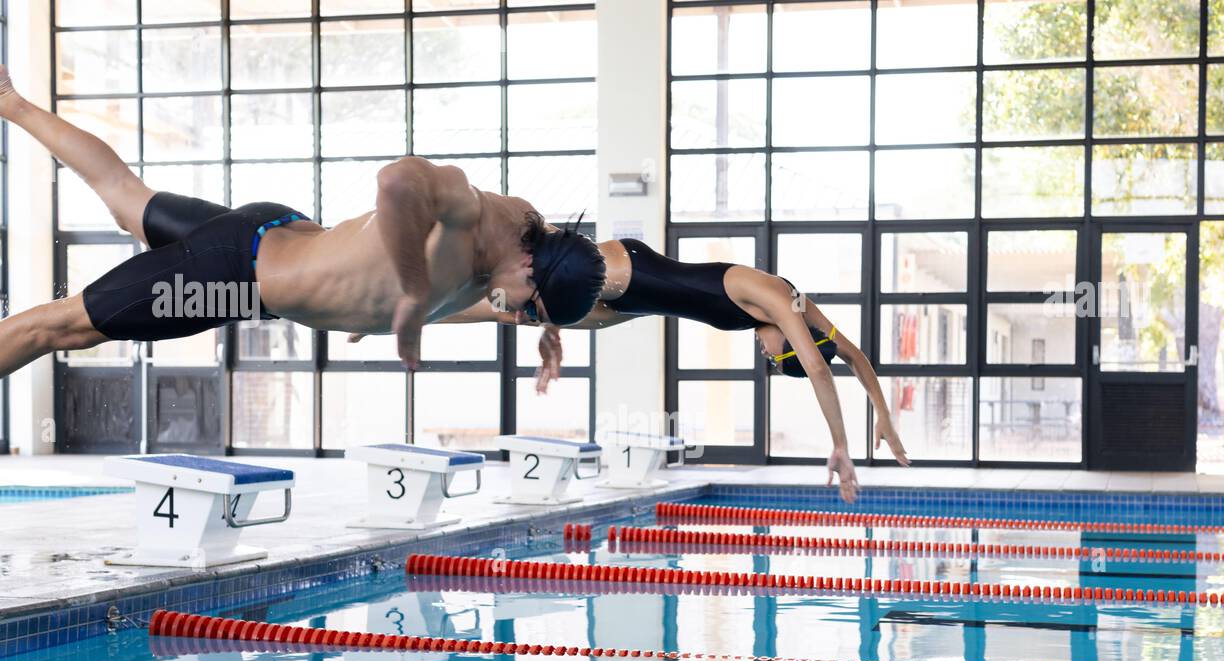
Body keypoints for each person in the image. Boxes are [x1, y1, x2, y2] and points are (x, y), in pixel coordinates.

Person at [0, 66, 605, 381]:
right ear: (530, 266)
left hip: (278, 232)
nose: (515, 312)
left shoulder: (521, 232)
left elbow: (497, 296)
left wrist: (547, 326)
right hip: (236, 275)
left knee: (125, 197)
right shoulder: (465, 212)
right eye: (528, 307)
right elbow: (398, 182)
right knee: (57, 329)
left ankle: (12, 104)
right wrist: (413, 290)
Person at [421, 237, 911, 502]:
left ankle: (416, 311)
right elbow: (821, 370)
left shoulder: (808, 314)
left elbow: (852, 356)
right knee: (520, 296)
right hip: (629, 271)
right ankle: (435, 278)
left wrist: (883, 415)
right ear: (791, 344)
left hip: (634, 302)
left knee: (513, 313)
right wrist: (842, 446)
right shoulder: (779, 301)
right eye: (779, 359)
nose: (767, 358)